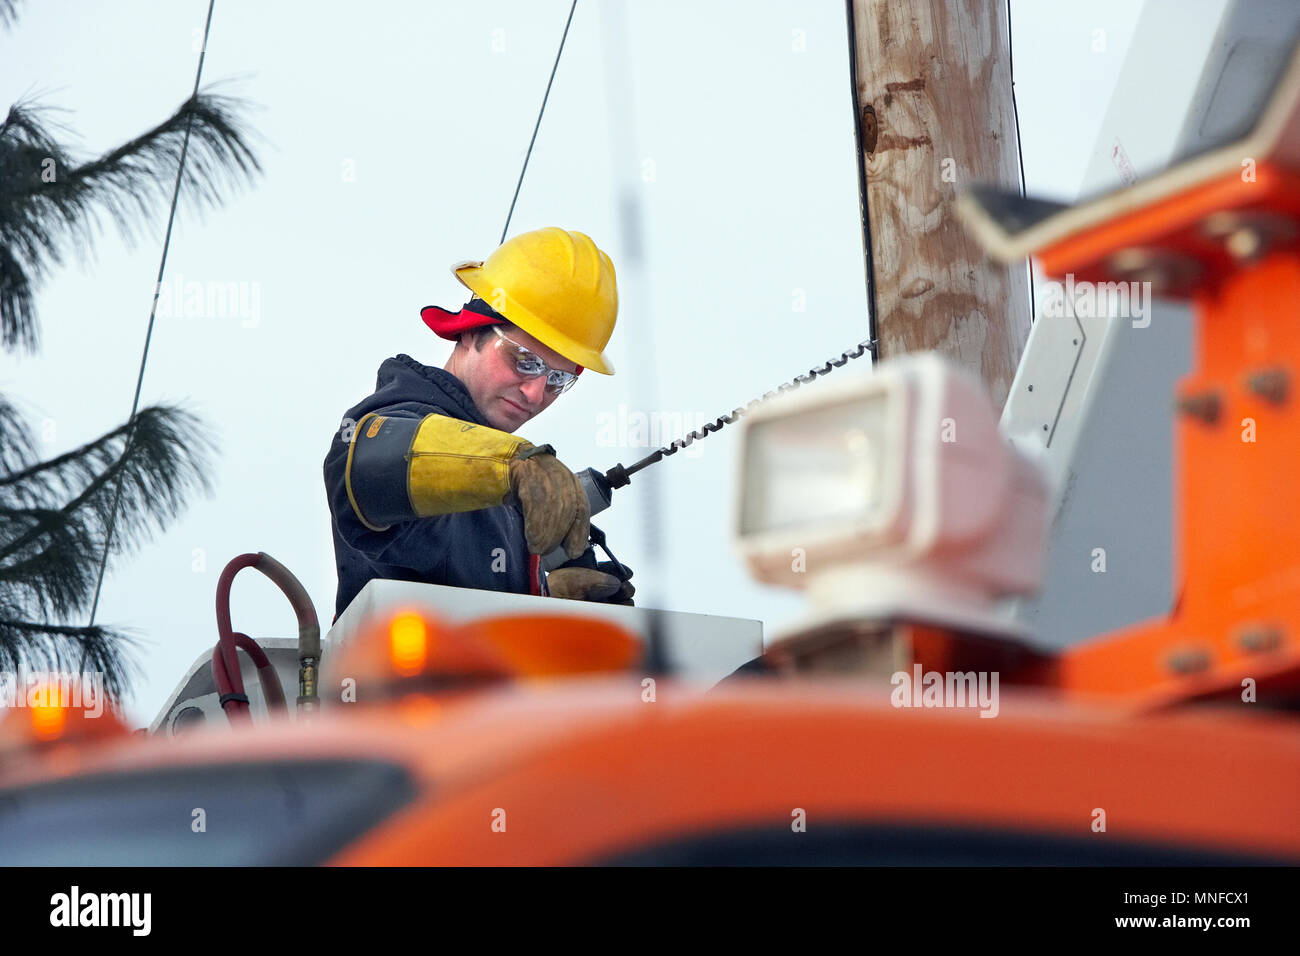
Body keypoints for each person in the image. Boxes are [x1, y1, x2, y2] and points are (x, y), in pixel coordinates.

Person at [323, 227, 634, 623]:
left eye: (558, 379)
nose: (536, 393)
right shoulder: (402, 421)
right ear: (471, 331)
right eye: (524, 359)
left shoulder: (502, 487)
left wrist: (541, 594)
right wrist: (512, 465)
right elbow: (365, 467)